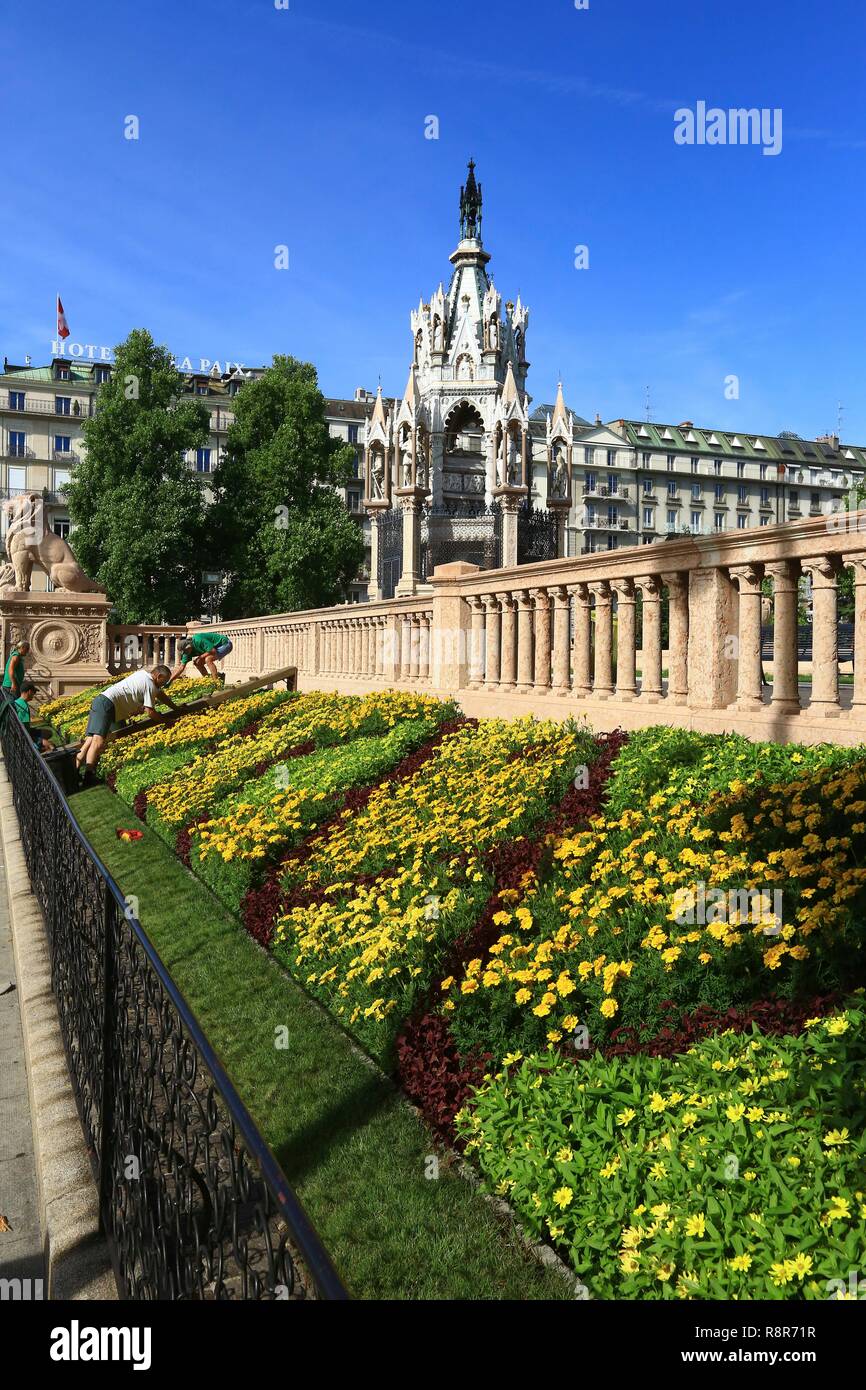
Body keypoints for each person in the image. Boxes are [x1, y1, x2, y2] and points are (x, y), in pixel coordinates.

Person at [76, 665, 179, 781]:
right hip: (107, 705)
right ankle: (88, 776)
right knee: (97, 742)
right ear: (158, 676)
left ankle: (75, 772)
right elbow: (150, 712)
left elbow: (160, 695)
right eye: (164, 681)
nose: (164, 684)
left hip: (101, 700)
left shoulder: (142, 674)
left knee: (89, 741)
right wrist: (166, 721)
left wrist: (176, 708)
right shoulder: (150, 684)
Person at [13, 680, 54, 753]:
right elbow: (24, 729)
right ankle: (38, 750)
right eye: (33, 692)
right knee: (50, 745)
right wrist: (39, 741)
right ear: (29, 692)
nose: (34, 695)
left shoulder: (17, 701)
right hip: (22, 736)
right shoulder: (23, 706)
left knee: (48, 733)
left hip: (18, 732)